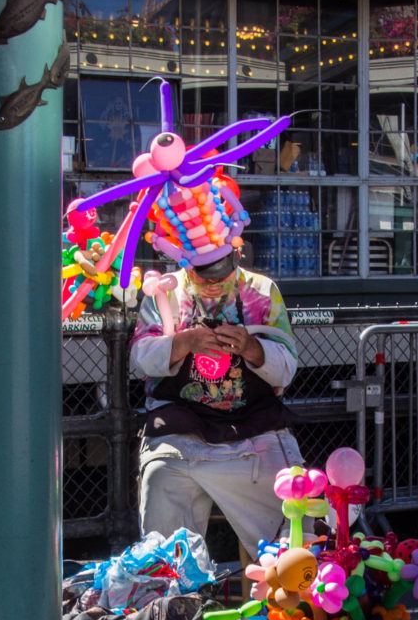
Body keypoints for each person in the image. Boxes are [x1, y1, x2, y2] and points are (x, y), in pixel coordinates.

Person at [129, 235, 305, 561]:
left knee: (291, 498)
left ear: (236, 259)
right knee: (160, 476)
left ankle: (284, 579)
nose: (212, 285)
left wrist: (252, 348)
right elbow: (141, 358)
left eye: (221, 276)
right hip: (181, 422)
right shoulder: (165, 292)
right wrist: (183, 343)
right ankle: (174, 592)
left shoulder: (262, 291)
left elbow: (286, 370)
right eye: (202, 276)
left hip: (252, 421)